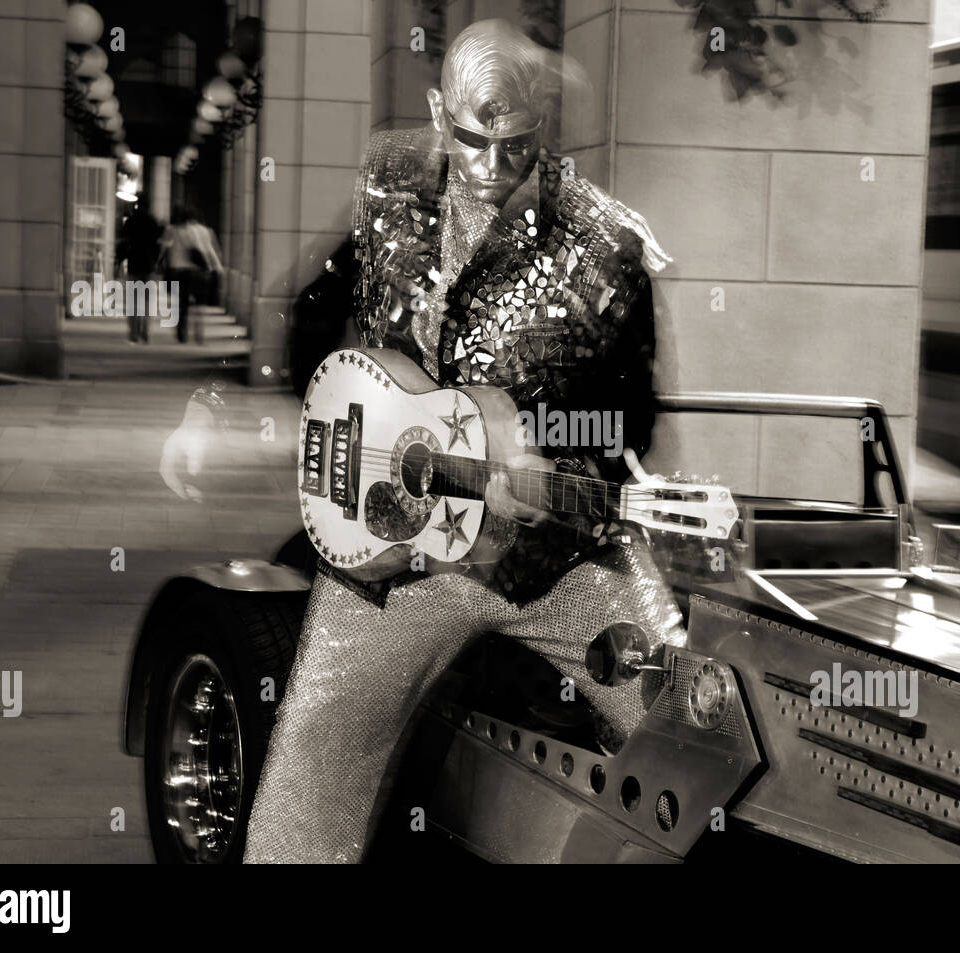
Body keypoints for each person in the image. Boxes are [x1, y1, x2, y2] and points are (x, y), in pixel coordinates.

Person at [238, 18, 682, 863]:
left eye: (515, 143)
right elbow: (314, 322)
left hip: (553, 558)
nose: (490, 167)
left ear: (540, 123)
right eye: (473, 140)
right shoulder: (391, 188)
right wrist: (347, 421)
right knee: (307, 781)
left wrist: (543, 449)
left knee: (684, 721)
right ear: (440, 112)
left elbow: (633, 422)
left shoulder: (606, 243)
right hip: (393, 559)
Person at [161, 205, 224, 343]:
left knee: (181, 303)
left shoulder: (172, 230)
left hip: (177, 271)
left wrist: (161, 263)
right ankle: (199, 332)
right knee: (200, 302)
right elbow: (208, 250)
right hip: (197, 270)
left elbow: (164, 248)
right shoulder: (204, 231)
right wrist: (216, 266)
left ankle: (181, 333)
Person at [115, 204, 162, 343]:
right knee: (148, 301)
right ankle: (145, 331)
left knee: (132, 300)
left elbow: (123, 242)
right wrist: (156, 262)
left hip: (134, 263)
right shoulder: (153, 222)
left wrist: (119, 260)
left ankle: (134, 333)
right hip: (149, 265)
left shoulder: (131, 221)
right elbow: (157, 244)